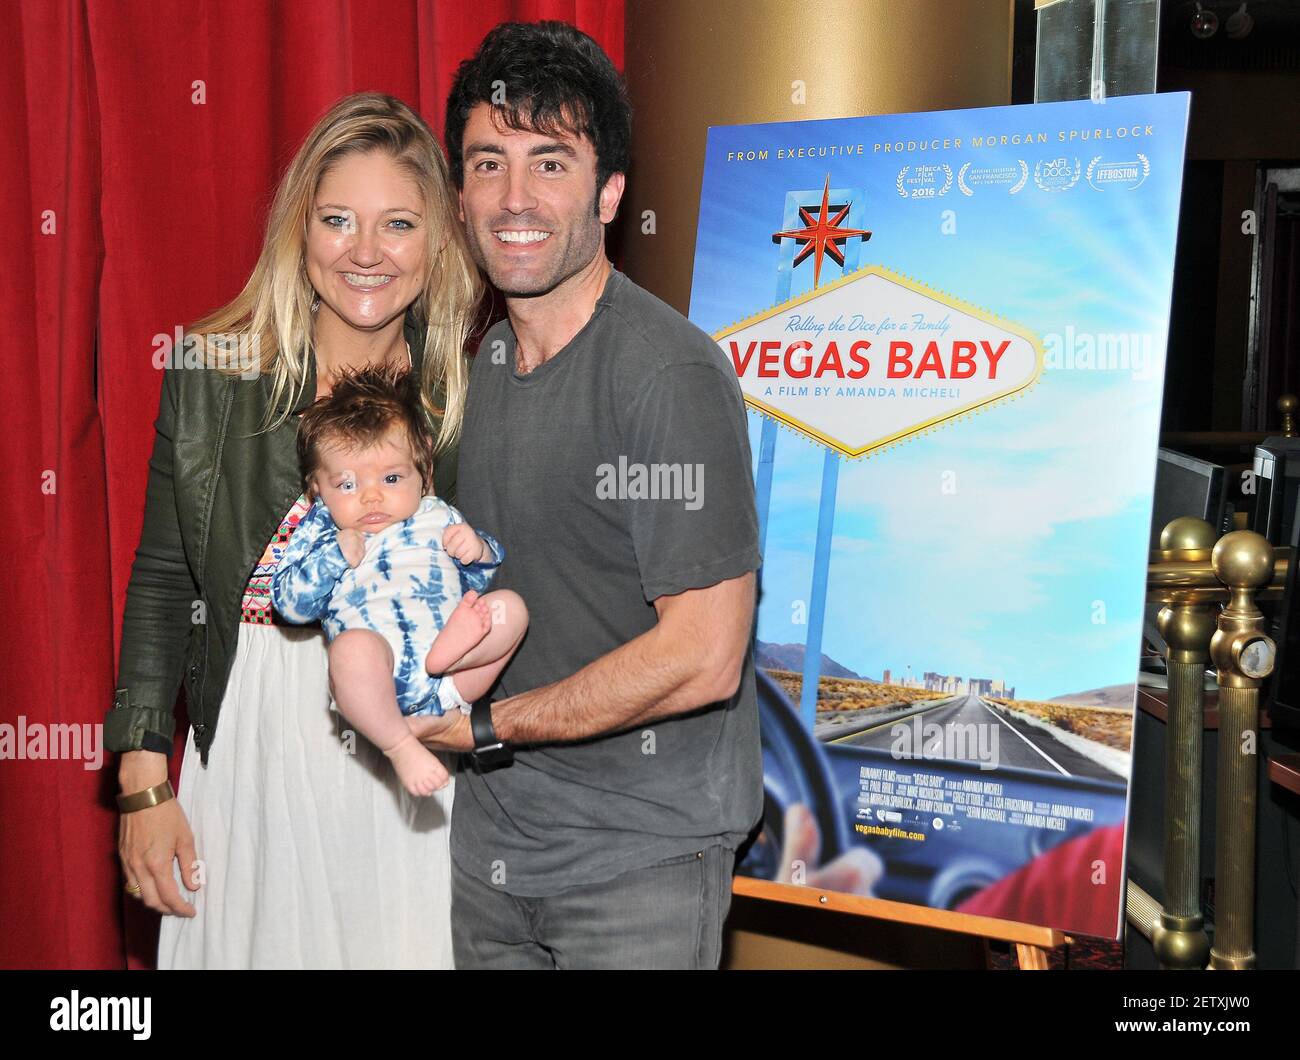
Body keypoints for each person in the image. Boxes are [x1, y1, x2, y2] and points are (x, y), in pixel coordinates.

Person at [410, 21, 763, 969]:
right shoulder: (473, 368)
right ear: (460, 193)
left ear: (609, 193)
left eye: (550, 163)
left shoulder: (666, 373)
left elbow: (703, 656)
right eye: (488, 163)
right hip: (492, 853)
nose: (514, 198)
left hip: (636, 863)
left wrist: (486, 727)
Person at [104, 92, 482, 968]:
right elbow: (166, 580)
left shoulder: (464, 399)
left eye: (397, 224)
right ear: (299, 231)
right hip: (249, 745)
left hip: (403, 762)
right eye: (338, 219)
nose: (364, 252)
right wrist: (141, 779)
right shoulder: (212, 371)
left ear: (437, 242)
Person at [270, 366, 527, 797]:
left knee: (511, 609)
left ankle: (444, 659)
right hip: (377, 684)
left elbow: (477, 585)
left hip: (454, 681)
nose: (372, 496)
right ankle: (398, 743)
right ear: (317, 490)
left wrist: (476, 550)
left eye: (391, 478)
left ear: (422, 471)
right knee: (351, 653)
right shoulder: (324, 533)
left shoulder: (437, 514)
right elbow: (289, 604)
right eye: (347, 484)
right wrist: (334, 557)